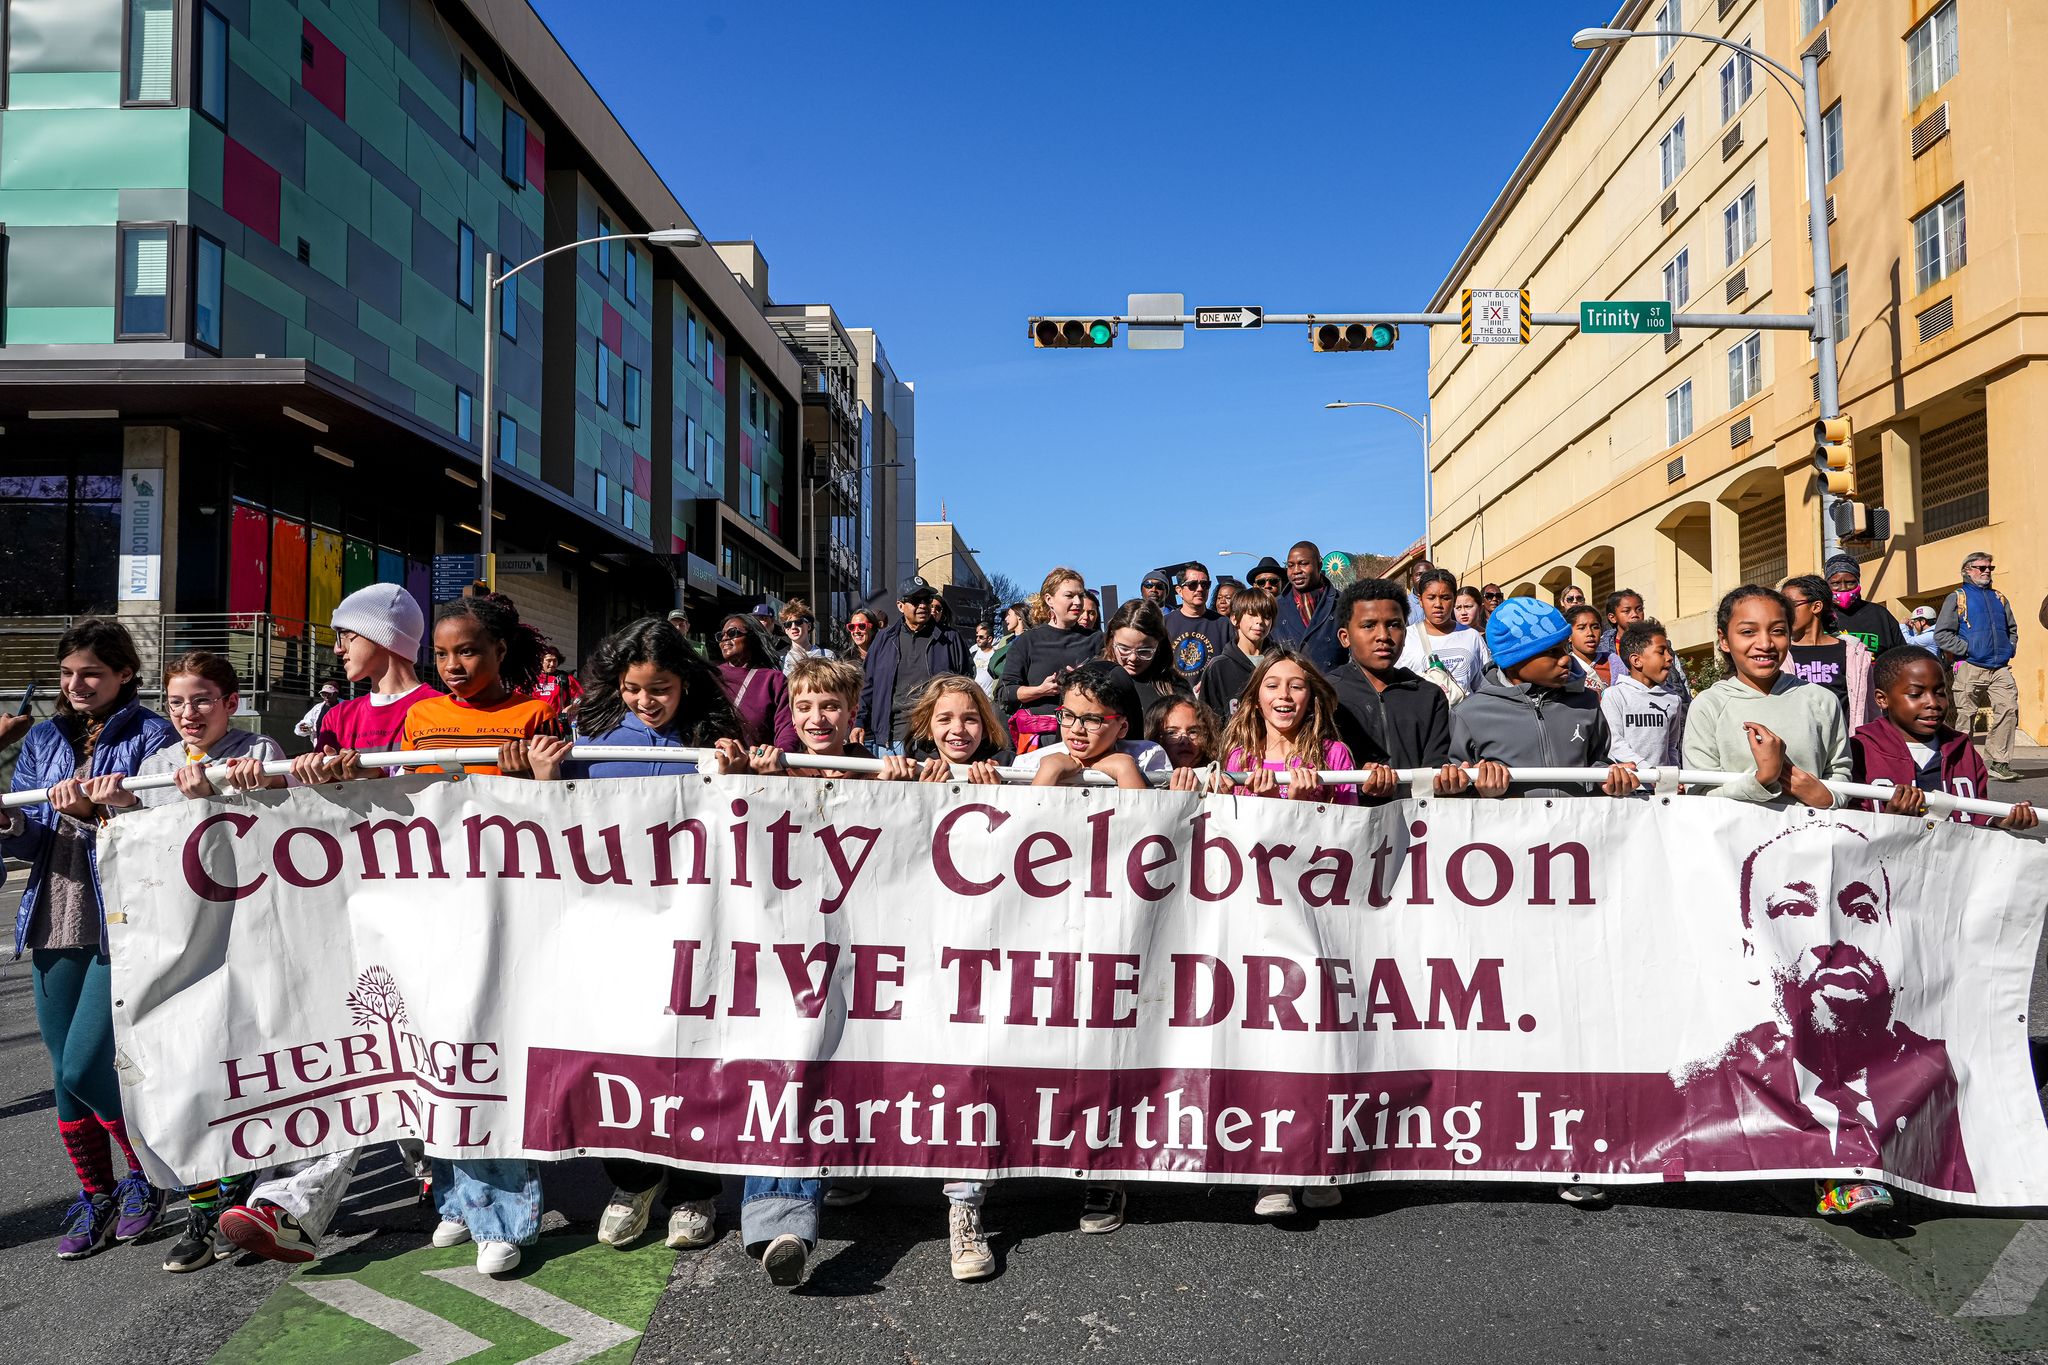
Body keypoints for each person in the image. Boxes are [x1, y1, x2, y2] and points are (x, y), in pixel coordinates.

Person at [532, 618, 744, 1254]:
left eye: (660, 689)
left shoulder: (715, 739)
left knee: (696, 1058)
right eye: (632, 689)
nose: (645, 702)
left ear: (687, 684)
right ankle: (633, 1182)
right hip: (614, 926)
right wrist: (546, 780)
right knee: (615, 1056)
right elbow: (557, 824)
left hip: (698, 924)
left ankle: (696, 1191)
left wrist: (739, 776)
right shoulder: (590, 737)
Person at [89, 652, 288, 1272]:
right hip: (179, 935)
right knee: (184, 1072)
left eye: (201, 699)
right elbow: (146, 850)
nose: (187, 713)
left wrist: (227, 796)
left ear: (230, 702)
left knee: (239, 1065)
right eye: (175, 702)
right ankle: (201, 1207)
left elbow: (287, 827)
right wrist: (112, 810)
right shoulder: (157, 765)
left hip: (246, 928)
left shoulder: (258, 751)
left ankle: (239, 1191)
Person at [1666, 821, 1971, 1214]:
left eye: (1862, 911)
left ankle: (1851, 1170)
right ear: (1750, 950)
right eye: (1793, 909)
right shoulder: (1707, 1076)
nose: (1834, 941)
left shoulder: (1940, 1069)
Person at [1450, 597, 1637, 1207]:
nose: (1569, 660)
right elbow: (1446, 796)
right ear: (1516, 660)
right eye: (1553, 652)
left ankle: (1575, 1153)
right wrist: (1475, 790)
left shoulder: (1586, 703)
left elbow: (1600, 763)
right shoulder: (1470, 712)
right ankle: (1492, 1139)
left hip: (1580, 889)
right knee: (1513, 1019)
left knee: (1578, 1019)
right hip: (1505, 897)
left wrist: (1614, 779)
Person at [0, 619, 176, 1261]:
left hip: (120, 915)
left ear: (126, 674)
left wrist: (95, 812)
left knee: (83, 1063)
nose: (76, 685)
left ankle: (151, 1172)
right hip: (55, 907)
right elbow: (31, 839)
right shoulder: (45, 736)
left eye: (92, 674)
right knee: (63, 1074)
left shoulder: (153, 734)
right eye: (68, 673)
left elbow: (164, 830)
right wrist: (10, 823)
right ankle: (97, 1193)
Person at [738, 657, 917, 1285]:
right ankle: (781, 1219)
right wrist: (754, 782)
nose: (818, 719)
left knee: (847, 1063)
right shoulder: (774, 768)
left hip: (859, 944)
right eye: (805, 707)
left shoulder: (877, 770)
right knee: (787, 1066)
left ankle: (845, 1163)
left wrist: (898, 789)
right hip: (784, 946)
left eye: (831, 706)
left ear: (851, 711)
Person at [402, 594, 567, 1275]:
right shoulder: (419, 717)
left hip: (508, 906)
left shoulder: (534, 716)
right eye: (441, 654)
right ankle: (458, 1198)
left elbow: (558, 812)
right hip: (434, 901)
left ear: (500, 650)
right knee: (441, 1050)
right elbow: (400, 802)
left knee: (493, 1056)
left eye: (467, 651)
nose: (453, 665)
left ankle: (506, 1217)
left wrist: (539, 775)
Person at [1218, 646, 1359, 1217]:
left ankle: (1319, 1159)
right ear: (1255, 696)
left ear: (1312, 696)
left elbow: (1353, 834)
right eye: (1272, 684)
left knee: (1318, 1037)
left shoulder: (1334, 754)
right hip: (1255, 916)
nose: (1284, 695)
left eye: (1296, 685)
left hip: (1320, 916)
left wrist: (1312, 802)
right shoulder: (1238, 757)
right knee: (1264, 1039)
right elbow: (1226, 831)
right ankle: (1270, 1173)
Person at [1682, 585, 1847, 809]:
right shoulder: (1708, 706)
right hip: (1736, 831)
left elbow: (1841, 776)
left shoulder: (1822, 700)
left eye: (1777, 631)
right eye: (1748, 632)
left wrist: (1826, 798)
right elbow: (1699, 795)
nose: (1765, 644)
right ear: (1724, 640)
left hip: (1811, 831)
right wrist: (1763, 779)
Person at [1851, 647, 2036, 832]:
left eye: (1940, 692)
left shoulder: (1962, 749)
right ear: (1882, 699)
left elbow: (1977, 811)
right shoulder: (1860, 750)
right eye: (1915, 694)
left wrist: (1999, 821)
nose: (1933, 703)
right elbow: (1850, 826)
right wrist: (1890, 818)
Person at [288, 582, 440, 784]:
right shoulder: (336, 717)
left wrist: (373, 776)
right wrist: (315, 775)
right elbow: (320, 798)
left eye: (344, 633)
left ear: (381, 634)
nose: (337, 648)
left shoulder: (441, 712)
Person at [1325, 578, 1457, 783]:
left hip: (1417, 804)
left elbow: (1436, 767)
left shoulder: (1429, 696)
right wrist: (1358, 781)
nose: (1383, 636)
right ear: (1345, 637)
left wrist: (1447, 781)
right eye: (1369, 626)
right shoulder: (1326, 695)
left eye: (1394, 625)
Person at [854, 576, 970, 756]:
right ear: (900, 606)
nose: (923, 605)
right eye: (915, 600)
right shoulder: (884, 639)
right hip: (890, 740)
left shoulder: (950, 639)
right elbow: (868, 686)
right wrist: (860, 722)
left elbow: (966, 686)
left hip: (934, 740)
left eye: (927, 600)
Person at [1934, 550, 2021, 782]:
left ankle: (1999, 762)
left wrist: (2010, 648)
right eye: (1981, 568)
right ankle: (1960, 763)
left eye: (1990, 568)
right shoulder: (1957, 597)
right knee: (1966, 715)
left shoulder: (1999, 598)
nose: (1986, 571)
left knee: (2008, 708)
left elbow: (2012, 629)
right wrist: (1968, 649)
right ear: (1967, 570)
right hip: (1970, 665)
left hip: (2000, 667)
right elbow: (1942, 634)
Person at [996, 567, 1103, 751]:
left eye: (1080, 595)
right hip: (1040, 738)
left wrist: (1085, 680)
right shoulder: (1028, 641)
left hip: (1086, 735)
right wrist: (1040, 690)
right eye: (1069, 596)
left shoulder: (1096, 640)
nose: (1078, 602)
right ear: (1049, 599)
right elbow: (1004, 693)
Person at [1013, 660, 1167, 787]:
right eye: (1068, 715)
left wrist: (1126, 771)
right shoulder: (1030, 764)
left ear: (1122, 727)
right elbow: (1023, 815)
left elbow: (1146, 815)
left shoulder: (1147, 758)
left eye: (1092, 720)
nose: (1076, 729)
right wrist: (1047, 775)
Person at [1781, 574, 1876, 732]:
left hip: (1844, 744)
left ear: (1816, 607)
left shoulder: (1854, 653)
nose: (1784, 613)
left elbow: (1871, 709)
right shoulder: (1780, 654)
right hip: (1797, 742)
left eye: (1790, 605)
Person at [1599, 619, 1685, 767]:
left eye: (1669, 652)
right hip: (1629, 781)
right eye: (1661, 652)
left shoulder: (1673, 699)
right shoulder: (1614, 696)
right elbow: (1615, 743)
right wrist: (1647, 771)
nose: (1669, 658)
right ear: (1636, 660)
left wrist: (1673, 774)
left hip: (1661, 781)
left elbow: (1671, 748)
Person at [1400, 568, 1492, 695]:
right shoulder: (1405, 638)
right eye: (1431, 598)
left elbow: (1486, 686)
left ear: (1454, 600)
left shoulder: (1472, 637)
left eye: (1445, 597)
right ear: (1421, 600)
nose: (1438, 604)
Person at [712, 614, 797, 751]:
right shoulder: (710, 675)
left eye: (732, 633)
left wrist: (778, 756)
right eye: (721, 636)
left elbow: (786, 729)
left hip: (755, 761)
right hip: (709, 760)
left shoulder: (774, 680)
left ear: (753, 637)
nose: (725, 638)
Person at [906, 674, 1014, 776]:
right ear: (928, 730)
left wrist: (998, 787)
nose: (958, 730)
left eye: (970, 719)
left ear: (985, 728)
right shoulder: (912, 770)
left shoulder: (1010, 766)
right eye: (945, 719)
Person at [1195, 586, 1274, 720]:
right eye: (1252, 614)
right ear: (1234, 619)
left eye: (1266, 616)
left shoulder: (1281, 663)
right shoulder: (1218, 667)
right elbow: (1209, 722)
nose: (1259, 621)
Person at [1101, 600, 1194, 712]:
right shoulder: (1095, 678)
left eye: (1144, 651)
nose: (1133, 658)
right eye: (1124, 649)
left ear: (1159, 645)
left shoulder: (1176, 688)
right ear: (1112, 639)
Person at [1269, 540, 1345, 672]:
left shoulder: (1342, 602)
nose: (1296, 571)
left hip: (1333, 681)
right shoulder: (1275, 608)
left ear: (1319, 566)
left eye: (1303, 564)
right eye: (1290, 566)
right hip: (1293, 680)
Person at [1823, 553, 1904, 657]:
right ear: (1826, 585)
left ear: (1858, 582)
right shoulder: (1818, 616)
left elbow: (1901, 656)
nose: (1843, 588)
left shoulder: (1880, 615)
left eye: (1850, 582)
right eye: (1835, 583)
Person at [1166, 562, 1231, 681]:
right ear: (1179, 590)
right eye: (1192, 584)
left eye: (1205, 584)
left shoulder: (1224, 624)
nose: (1200, 589)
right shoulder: (1164, 624)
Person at [1147, 692, 1221, 789]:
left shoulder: (1216, 780)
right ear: (1156, 736)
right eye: (1172, 733)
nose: (1185, 741)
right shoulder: (1144, 784)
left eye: (1193, 732)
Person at [532, 643, 584, 721]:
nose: (552, 664)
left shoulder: (565, 677)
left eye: (555, 661)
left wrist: (570, 708)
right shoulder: (532, 679)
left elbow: (582, 697)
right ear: (540, 661)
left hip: (559, 725)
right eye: (549, 660)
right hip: (536, 723)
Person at [1563, 604, 1607, 692]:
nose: (1590, 633)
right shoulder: (1565, 668)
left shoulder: (1613, 664)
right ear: (1569, 635)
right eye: (1582, 628)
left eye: (1595, 627)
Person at [1405, 557, 1437, 623]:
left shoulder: (1442, 602)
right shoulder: (1403, 605)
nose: (1423, 578)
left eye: (1428, 574)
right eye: (1419, 574)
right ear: (1412, 578)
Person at [970, 621, 997, 691]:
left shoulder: (996, 656)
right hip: (974, 694)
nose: (977, 639)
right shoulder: (973, 654)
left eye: (981, 637)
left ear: (989, 639)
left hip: (989, 696)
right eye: (977, 636)